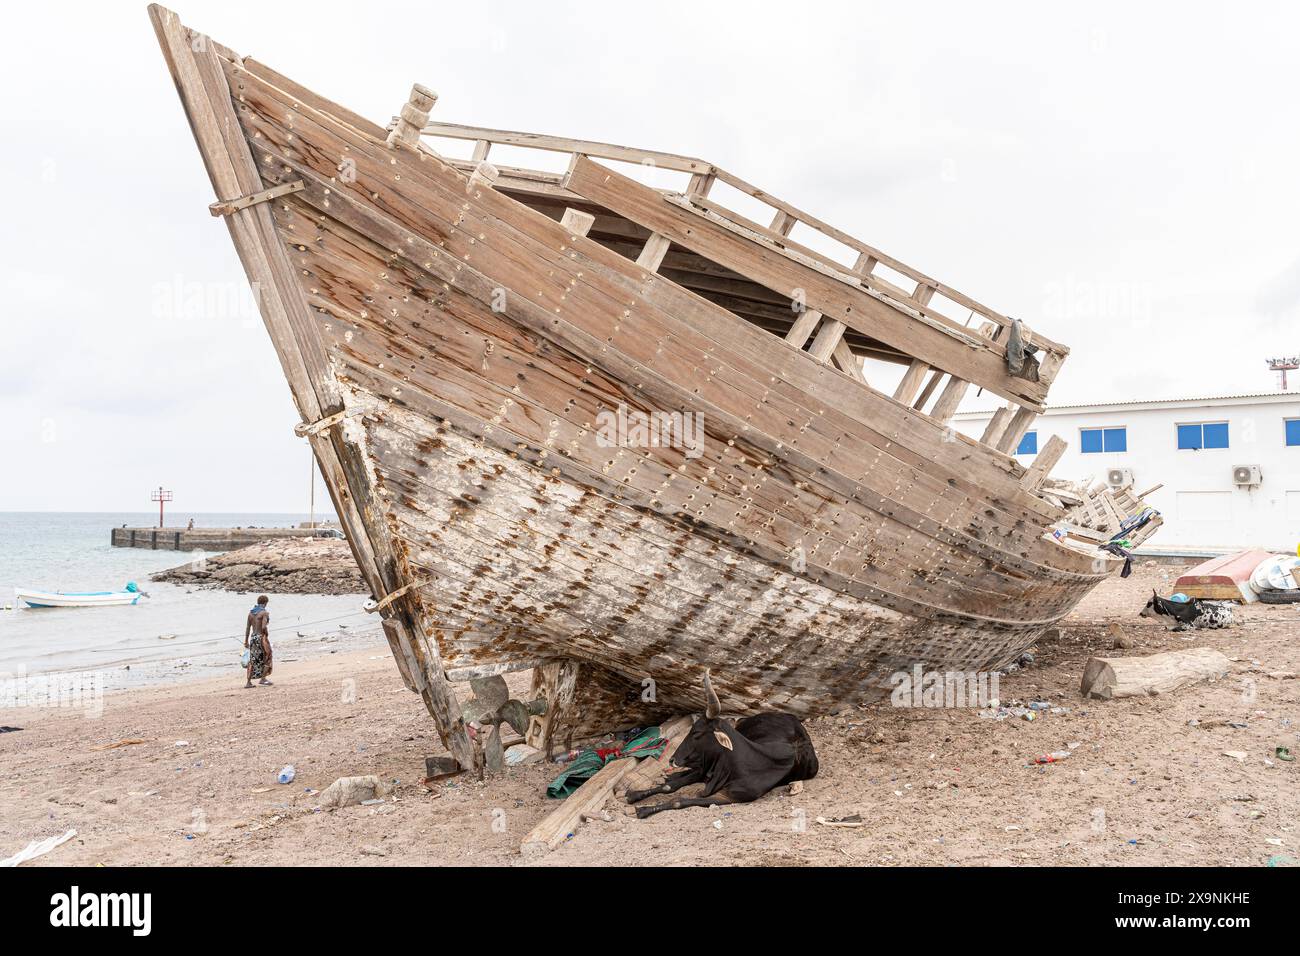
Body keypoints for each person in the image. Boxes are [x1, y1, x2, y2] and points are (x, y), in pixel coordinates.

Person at [243, 595, 273, 688]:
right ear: (265, 603)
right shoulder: (264, 613)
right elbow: (263, 627)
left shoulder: (250, 613)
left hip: (253, 638)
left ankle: (248, 682)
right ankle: (263, 679)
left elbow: (248, 628)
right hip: (261, 637)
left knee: (253, 659)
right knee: (268, 656)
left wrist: (246, 641)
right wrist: (266, 634)